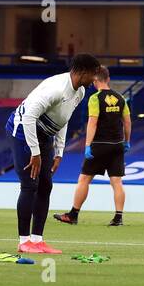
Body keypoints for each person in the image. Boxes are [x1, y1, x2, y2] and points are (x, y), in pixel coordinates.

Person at [5, 53, 101, 255]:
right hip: (22, 130)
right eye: (93, 75)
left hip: (45, 133)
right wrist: (35, 152)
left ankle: (37, 240)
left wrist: (59, 152)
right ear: (82, 72)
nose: (95, 80)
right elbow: (29, 117)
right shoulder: (56, 89)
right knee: (30, 184)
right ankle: (24, 242)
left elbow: (62, 120)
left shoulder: (80, 91)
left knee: (46, 184)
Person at [55, 65, 130, 226]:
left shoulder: (95, 98)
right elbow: (127, 122)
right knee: (116, 181)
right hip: (117, 144)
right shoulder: (120, 98)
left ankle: (73, 214)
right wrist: (127, 141)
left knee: (84, 179)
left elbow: (92, 123)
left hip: (99, 145)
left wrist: (87, 145)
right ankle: (118, 217)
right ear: (108, 79)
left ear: (95, 80)